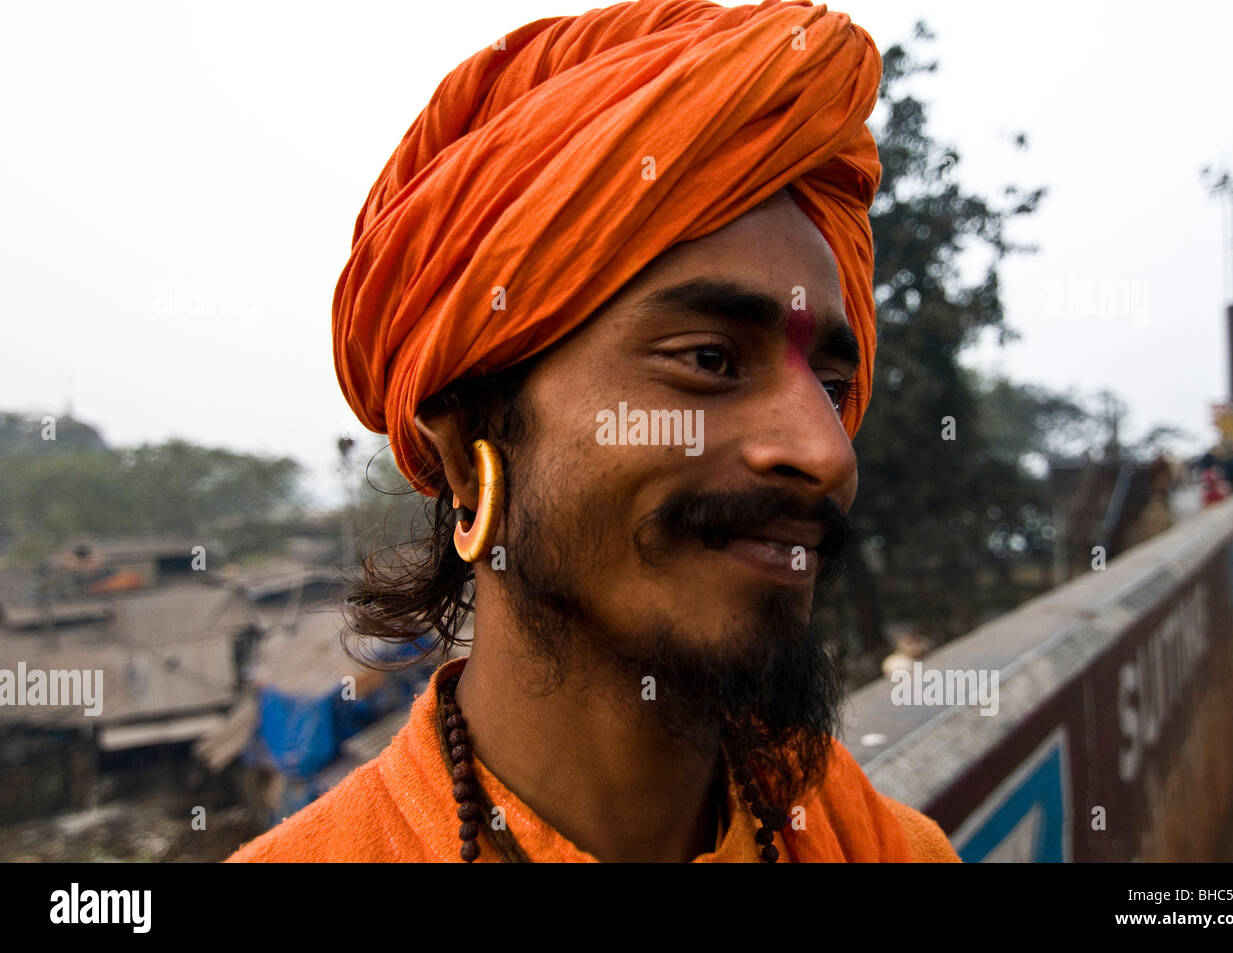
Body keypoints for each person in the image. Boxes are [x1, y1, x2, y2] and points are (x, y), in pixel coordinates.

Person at [227, 0, 959, 863]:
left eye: (832, 388)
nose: (826, 451)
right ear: (470, 452)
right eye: (710, 360)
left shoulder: (885, 847)